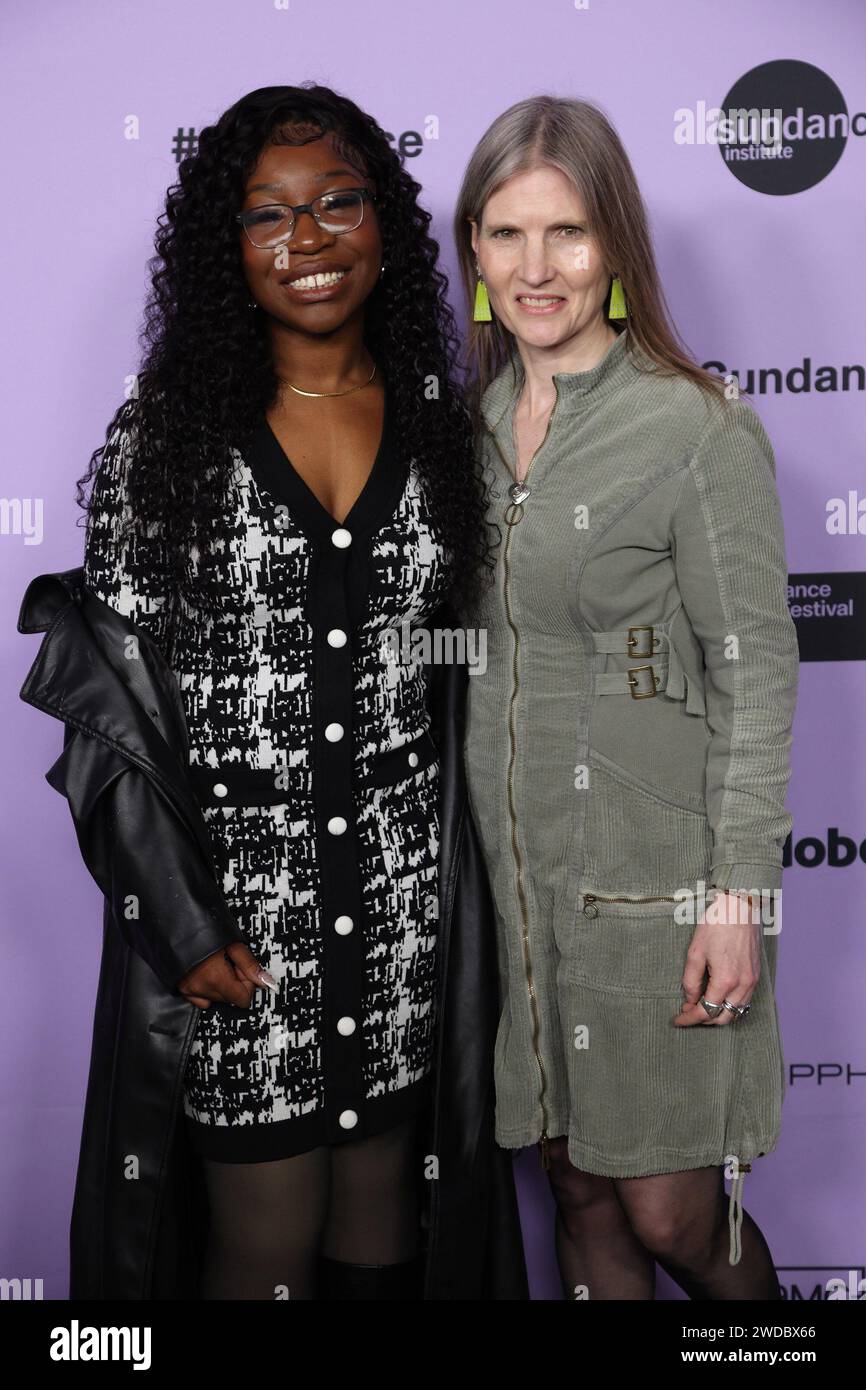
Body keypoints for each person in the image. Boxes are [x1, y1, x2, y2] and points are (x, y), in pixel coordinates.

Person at [74, 82, 495, 1300]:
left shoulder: (444, 428)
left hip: (404, 907)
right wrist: (183, 923)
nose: (307, 243)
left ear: (383, 220)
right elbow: (105, 706)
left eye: (336, 204)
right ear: (228, 246)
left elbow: (468, 667)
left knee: (381, 1240)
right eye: (267, 216)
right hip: (240, 927)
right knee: (259, 1253)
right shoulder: (163, 437)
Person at [453, 95, 799, 1300]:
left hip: (657, 884)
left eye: (568, 233)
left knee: (668, 1217)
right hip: (522, 890)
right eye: (505, 235)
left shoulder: (692, 426)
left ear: (615, 249)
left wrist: (734, 899)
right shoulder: (472, 430)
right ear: (474, 254)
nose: (535, 268)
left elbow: (755, 673)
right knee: (577, 1188)